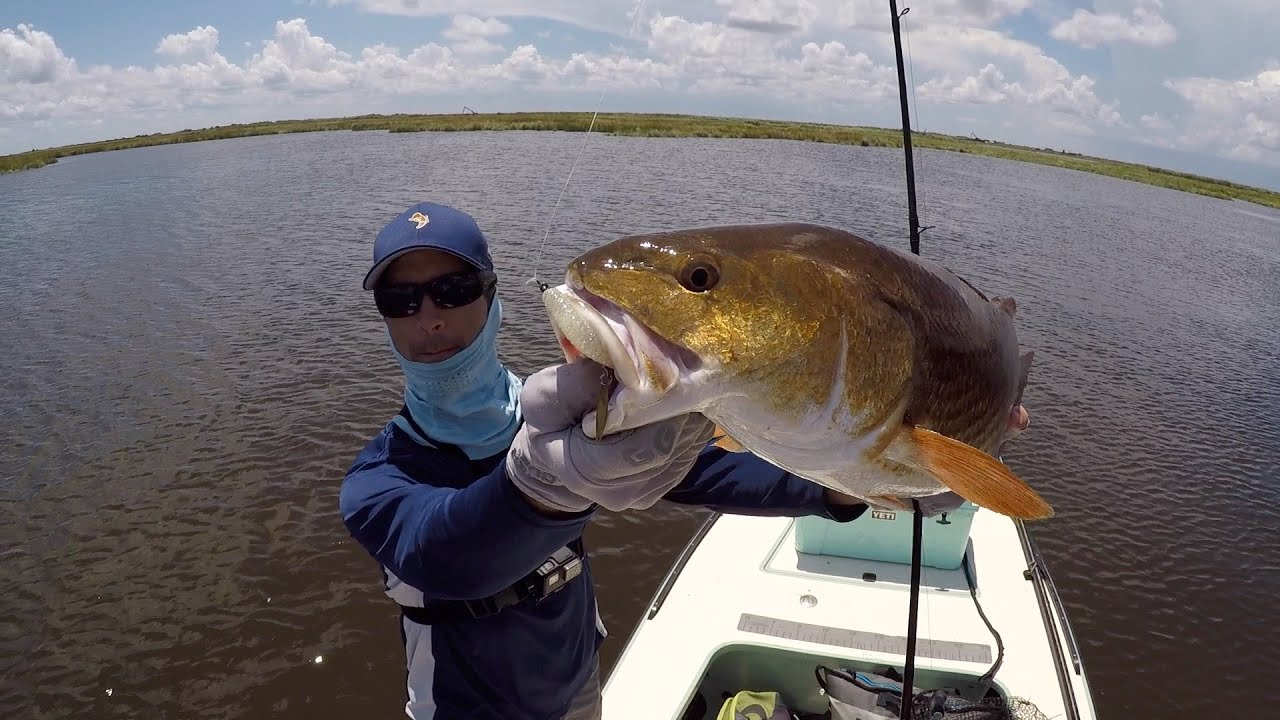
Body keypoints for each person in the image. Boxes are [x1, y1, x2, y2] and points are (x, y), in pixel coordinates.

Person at [338, 201, 1032, 720]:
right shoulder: (378, 477)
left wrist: (859, 488)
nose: (430, 317)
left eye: (453, 292)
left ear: (491, 300)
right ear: (385, 318)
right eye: (402, 300)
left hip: (578, 686)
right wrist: (538, 486)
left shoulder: (567, 415)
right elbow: (443, 559)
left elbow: (719, 471)